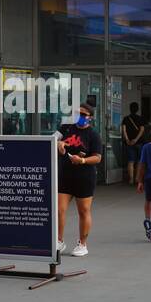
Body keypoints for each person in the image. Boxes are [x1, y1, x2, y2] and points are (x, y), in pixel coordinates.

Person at [57, 101, 103, 257]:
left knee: (83, 211)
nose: (79, 116)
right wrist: (59, 144)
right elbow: (52, 140)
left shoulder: (93, 135)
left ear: (90, 118)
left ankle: (82, 244)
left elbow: (97, 158)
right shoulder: (66, 128)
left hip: (84, 177)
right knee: (59, 209)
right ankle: (59, 240)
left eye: (83, 114)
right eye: (77, 113)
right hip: (65, 176)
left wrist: (82, 160)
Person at [121, 102, 147, 186]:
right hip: (139, 142)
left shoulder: (126, 119)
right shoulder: (140, 119)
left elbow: (124, 130)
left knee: (130, 161)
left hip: (129, 143)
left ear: (130, 109)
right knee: (139, 160)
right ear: (137, 109)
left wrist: (128, 139)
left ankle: (131, 179)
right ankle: (137, 178)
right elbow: (142, 130)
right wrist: (136, 139)